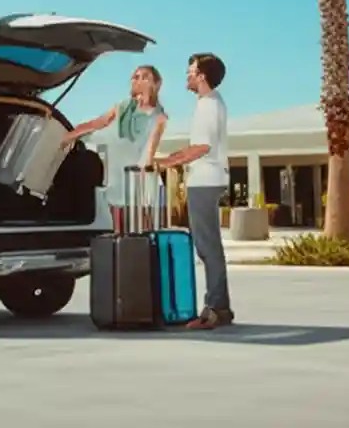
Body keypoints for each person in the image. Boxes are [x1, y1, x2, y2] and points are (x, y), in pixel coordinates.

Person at [155, 52, 233, 330]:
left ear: (202, 76)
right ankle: (220, 307)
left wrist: (165, 162)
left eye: (191, 71)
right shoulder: (208, 104)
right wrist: (170, 158)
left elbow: (202, 148)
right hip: (206, 178)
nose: (187, 75)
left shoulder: (209, 105)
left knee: (208, 248)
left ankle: (216, 310)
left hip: (206, 180)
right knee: (209, 247)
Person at [61, 65, 168, 231]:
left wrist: (140, 184)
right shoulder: (122, 107)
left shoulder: (158, 118)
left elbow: (148, 154)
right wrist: (70, 135)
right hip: (114, 185)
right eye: (135, 76)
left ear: (156, 84)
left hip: (137, 189)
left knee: (138, 238)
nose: (137, 80)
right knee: (116, 237)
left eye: (144, 77)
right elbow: (98, 123)